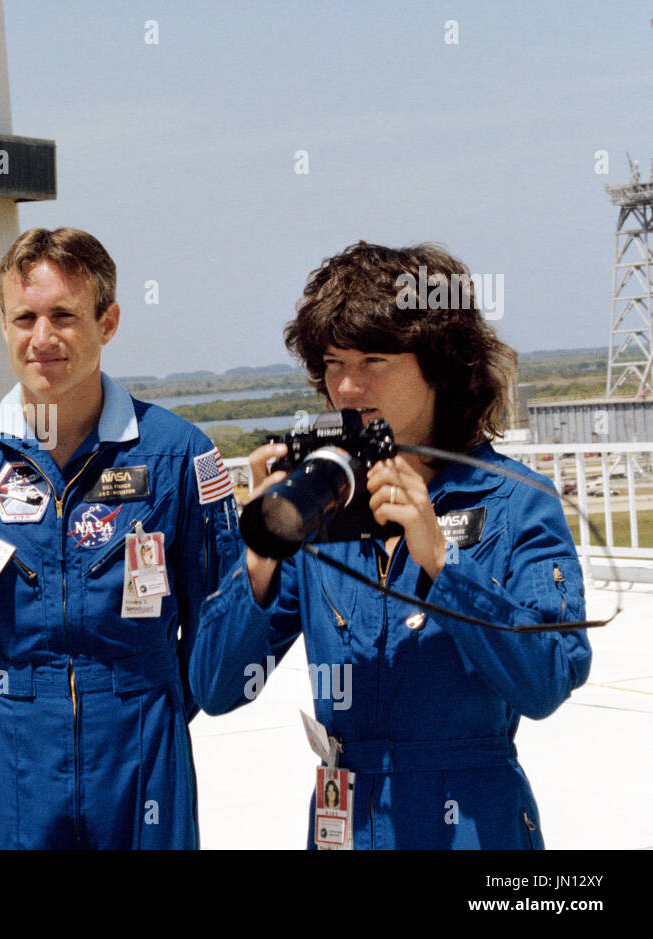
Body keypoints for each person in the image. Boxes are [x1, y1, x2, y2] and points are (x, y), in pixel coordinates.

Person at [190, 241, 592, 849]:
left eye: (375, 359)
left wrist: (443, 561)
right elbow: (218, 690)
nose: (348, 386)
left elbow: (545, 684)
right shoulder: (316, 506)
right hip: (347, 817)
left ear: (441, 367)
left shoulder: (516, 501)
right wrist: (259, 560)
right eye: (331, 363)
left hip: (472, 818)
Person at [0, 227, 243, 849]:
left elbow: (214, 618)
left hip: (143, 743)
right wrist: (14, 706)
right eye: (24, 317)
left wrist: (150, 704)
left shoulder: (177, 455)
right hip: (13, 752)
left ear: (107, 322)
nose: (43, 338)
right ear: (4, 326)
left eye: (64, 315)